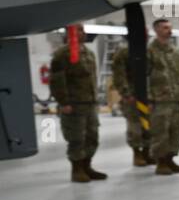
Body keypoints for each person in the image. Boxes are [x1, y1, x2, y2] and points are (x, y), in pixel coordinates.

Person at [49, 25, 104, 183]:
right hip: (74, 103)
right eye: (78, 30)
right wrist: (63, 102)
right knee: (76, 138)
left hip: (89, 103)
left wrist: (95, 100)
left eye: (82, 30)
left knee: (92, 136)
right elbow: (57, 80)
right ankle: (77, 169)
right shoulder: (62, 54)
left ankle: (87, 166)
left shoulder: (89, 53)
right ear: (69, 33)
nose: (83, 33)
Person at [148, 18, 179, 175]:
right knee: (160, 131)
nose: (169, 30)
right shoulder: (150, 50)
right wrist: (148, 98)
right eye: (165, 28)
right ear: (156, 30)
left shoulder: (174, 50)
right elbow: (144, 76)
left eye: (170, 27)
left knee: (177, 130)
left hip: (176, 97)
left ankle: (170, 159)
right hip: (160, 98)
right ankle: (161, 162)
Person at [111, 43, 149, 166]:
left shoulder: (149, 51)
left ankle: (147, 152)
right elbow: (119, 75)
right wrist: (126, 94)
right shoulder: (123, 53)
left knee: (150, 124)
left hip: (149, 95)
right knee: (135, 126)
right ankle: (137, 153)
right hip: (133, 96)